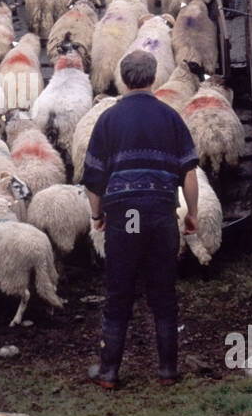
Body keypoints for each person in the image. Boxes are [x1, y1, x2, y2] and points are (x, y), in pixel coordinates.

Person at [81, 51, 200, 389]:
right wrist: (191, 213)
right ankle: (167, 371)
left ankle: (108, 372)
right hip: (160, 211)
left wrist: (97, 214)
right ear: (152, 78)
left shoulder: (108, 119)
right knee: (163, 293)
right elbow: (189, 172)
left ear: (123, 78)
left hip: (124, 216)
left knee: (118, 292)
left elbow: (94, 177)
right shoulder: (170, 117)